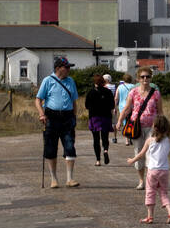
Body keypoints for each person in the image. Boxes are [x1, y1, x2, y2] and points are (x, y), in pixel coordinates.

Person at [34, 57, 79, 188]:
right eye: (67, 67)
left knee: (70, 147)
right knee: (50, 148)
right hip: (51, 117)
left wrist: (74, 117)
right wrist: (41, 114)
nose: (69, 70)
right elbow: (38, 100)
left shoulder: (71, 81)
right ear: (58, 68)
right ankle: (54, 179)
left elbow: (74, 101)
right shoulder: (48, 81)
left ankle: (70, 179)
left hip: (68, 117)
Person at [125, 115, 170, 224]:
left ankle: (150, 217)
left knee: (150, 192)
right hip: (164, 171)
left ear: (154, 127)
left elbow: (141, 154)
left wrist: (132, 160)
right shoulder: (168, 140)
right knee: (164, 192)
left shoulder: (150, 141)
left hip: (152, 171)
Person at [122, 68, 161, 191]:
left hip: (152, 127)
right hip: (136, 127)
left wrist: (163, 126)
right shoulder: (133, 92)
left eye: (148, 76)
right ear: (138, 79)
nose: (145, 79)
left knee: (151, 154)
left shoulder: (156, 93)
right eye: (143, 77)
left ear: (150, 78)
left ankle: (151, 181)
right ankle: (141, 180)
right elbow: (127, 108)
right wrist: (119, 121)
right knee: (139, 153)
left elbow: (160, 111)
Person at [85, 73, 115, 166]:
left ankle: (98, 160)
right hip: (106, 117)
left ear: (95, 83)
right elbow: (112, 105)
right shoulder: (108, 92)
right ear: (103, 82)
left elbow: (87, 106)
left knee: (96, 139)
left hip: (94, 117)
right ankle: (105, 150)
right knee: (105, 137)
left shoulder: (91, 92)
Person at [112, 73, 134, 143]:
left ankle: (126, 139)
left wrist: (115, 107)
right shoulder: (133, 86)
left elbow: (116, 98)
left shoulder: (120, 87)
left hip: (122, 106)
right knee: (131, 121)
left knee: (124, 122)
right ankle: (130, 137)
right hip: (131, 106)